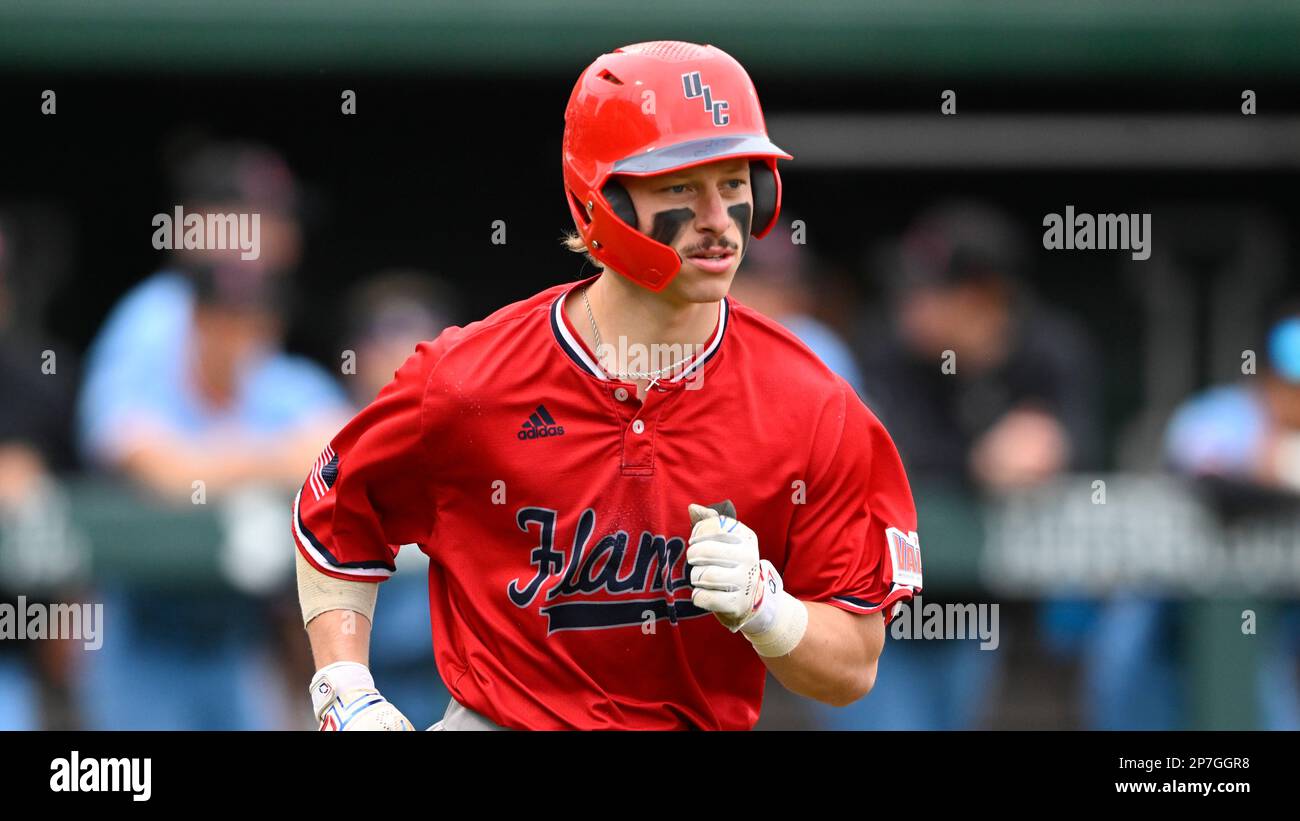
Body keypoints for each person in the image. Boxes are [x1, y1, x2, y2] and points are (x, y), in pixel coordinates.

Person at [295, 41, 922, 731]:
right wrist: (343, 681)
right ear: (602, 200)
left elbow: (855, 665)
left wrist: (770, 609)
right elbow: (334, 515)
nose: (718, 219)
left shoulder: (813, 404)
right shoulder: (470, 377)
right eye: (681, 186)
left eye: (737, 182)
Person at [75, 140, 351, 729]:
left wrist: (231, 460)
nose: (281, 237)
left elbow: (341, 448)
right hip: (143, 630)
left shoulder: (275, 359)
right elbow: (148, 462)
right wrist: (268, 460)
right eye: (263, 218)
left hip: (233, 635)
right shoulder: (156, 320)